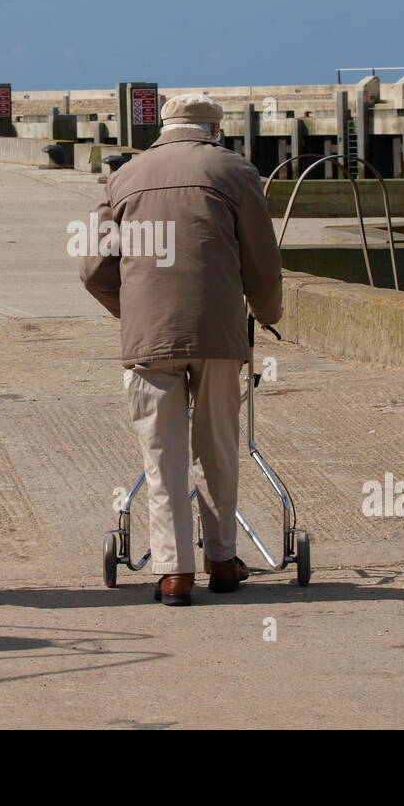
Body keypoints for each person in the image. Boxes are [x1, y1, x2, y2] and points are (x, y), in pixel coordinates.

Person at [81, 93, 283, 606]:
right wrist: (267, 312)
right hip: (217, 331)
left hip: (149, 336)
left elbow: (93, 267)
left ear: (165, 128)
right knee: (218, 446)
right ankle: (221, 558)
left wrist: (132, 309)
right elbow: (261, 262)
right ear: (214, 129)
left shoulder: (125, 176)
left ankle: (172, 572)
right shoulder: (235, 172)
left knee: (161, 454)